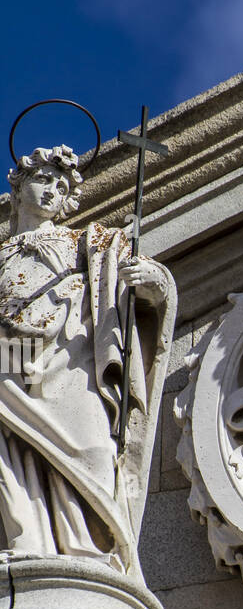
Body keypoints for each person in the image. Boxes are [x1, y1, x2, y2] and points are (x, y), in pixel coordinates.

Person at [0, 145, 175, 577]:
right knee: (12, 455)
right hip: (9, 363)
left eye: (60, 188)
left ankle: (93, 559)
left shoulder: (91, 244)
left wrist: (156, 284)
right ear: (18, 188)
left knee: (96, 453)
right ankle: (31, 545)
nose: (50, 193)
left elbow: (144, 282)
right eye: (41, 180)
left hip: (72, 360)